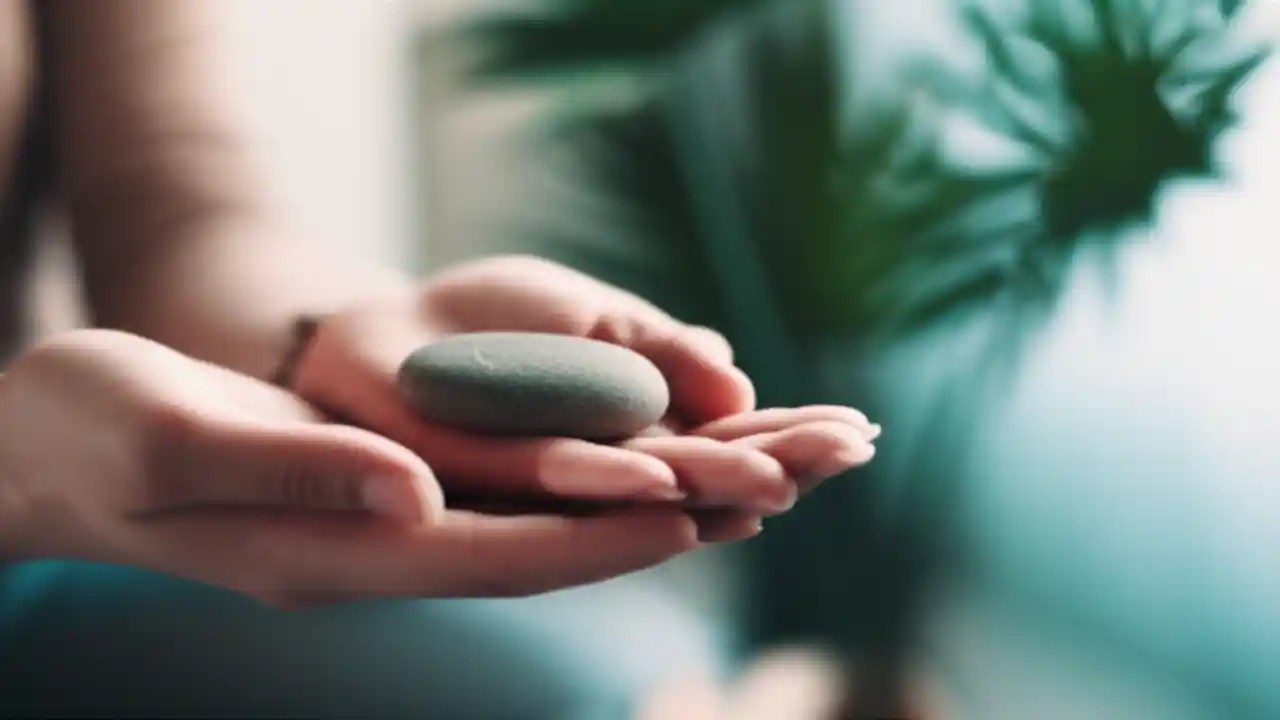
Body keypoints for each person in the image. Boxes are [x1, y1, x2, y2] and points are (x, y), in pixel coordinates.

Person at [0, 2, 876, 716]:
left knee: (626, 677)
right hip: (36, 501)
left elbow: (168, 203)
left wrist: (334, 335)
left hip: (40, 551)